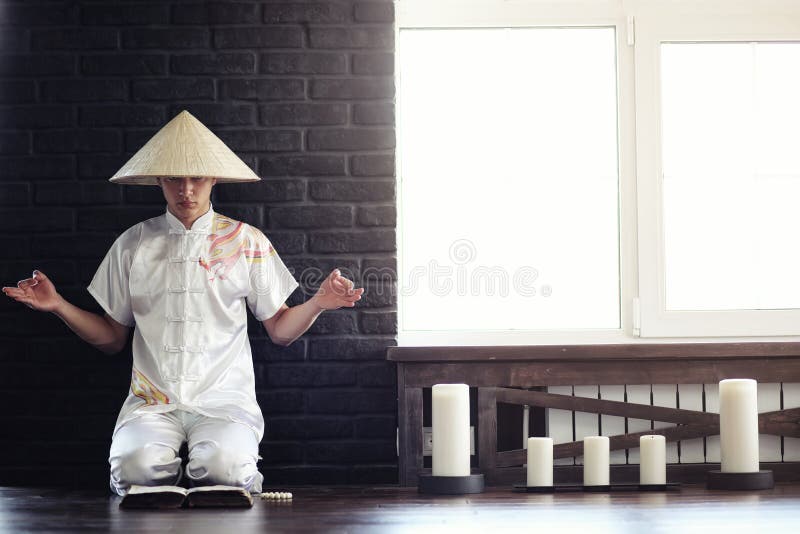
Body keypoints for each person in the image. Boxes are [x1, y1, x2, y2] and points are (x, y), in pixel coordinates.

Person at [1, 111, 364, 496]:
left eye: (197, 178)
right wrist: (58, 304)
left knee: (223, 473)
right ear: (160, 180)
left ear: (214, 179)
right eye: (175, 178)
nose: (186, 189)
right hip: (151, 402)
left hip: (225, 401)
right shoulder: (132, 244)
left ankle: (237, 475)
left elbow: (280, 330)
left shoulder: (246, 242)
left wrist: (319, 302)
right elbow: (111, 338)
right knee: (133, 472)